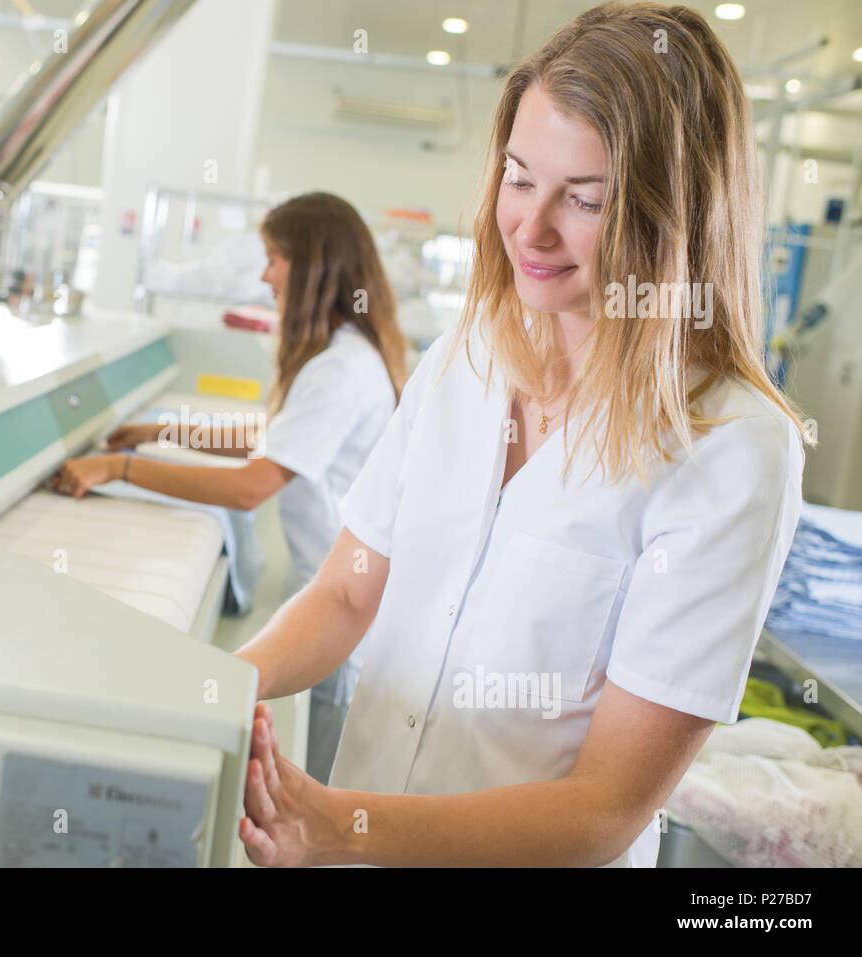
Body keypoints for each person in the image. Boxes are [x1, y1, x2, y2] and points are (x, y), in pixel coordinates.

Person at [232, 1, 811, 867]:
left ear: (672, 221)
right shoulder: (464, 358)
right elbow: (350, 592)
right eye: (517, 176)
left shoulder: (731, 449)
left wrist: (337, 823)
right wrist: (222, 687)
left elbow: (604, 807)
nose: (530, 229)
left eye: (585, 200)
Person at [50, 192, 408, 783]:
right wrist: (165, 430)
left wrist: (119, 469)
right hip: (343, 601)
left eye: (275, 258)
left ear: (312, 264)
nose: (266, 275)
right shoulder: (345, 355)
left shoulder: (339, 369)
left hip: (351, 623)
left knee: (329, 787)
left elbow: (252, 487)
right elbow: (273, 439)